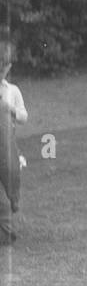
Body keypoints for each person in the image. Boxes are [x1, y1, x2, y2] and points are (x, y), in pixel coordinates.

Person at [0, 37, 27, 246]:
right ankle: (7, 231)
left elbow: (24, 117)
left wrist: (9, 108)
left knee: (9, 182)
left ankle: (8, 228)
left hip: (7, 145)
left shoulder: (12, 90)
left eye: (4, 65)